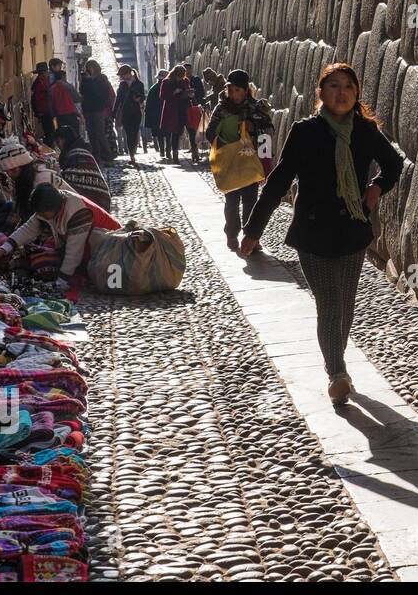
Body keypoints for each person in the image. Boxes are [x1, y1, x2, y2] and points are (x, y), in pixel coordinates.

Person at [240, 63, 403, 405]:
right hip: (313, 234)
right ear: (321, 93)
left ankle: (336, 363)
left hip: (352, 231)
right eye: (334, 87)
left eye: (348, 87)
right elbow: (278, 182)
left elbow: (393, 164)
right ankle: (337, 373)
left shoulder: (365, 131)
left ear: (356, 93)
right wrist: (253, 231)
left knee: (344, 306)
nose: (341, 93)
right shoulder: (306, 132)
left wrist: (375, 189)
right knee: (329, 304)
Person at [205, 69, 274, 253]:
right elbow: (210, 132)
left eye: (237, 90)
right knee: (232, 202)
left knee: (251, 201)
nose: (234, 94)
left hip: (249, 162)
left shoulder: (256, 108)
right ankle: (231, 233)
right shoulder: (221, 109)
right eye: (231, 90)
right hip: (229, 163)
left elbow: (268, 132)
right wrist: (226, 138)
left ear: (245, 90)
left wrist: (253, 127)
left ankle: (250, 237)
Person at [0, 184, 106, 293]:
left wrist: (61, 283)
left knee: (48, 264)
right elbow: (28, 229)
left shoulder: (77, 212)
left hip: (105, 249)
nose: (40, 215)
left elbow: (74, 252)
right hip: (83, 245)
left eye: (43, 213)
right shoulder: (48, 206)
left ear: (55, 208)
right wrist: (3, 249)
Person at [0, 138, 75, 211]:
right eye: (6, 172)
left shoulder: (43, 179)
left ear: (24, 167)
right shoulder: (19, 180)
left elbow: (47, 213)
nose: (10, 174)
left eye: (13, 170)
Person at [52, 125, 112, 210]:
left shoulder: (76, 153)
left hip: (97, 202)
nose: (58, 145)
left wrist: (55, 175)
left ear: (63, 140)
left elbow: (69, 181)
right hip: (101, 198)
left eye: (58, 141)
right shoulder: (80, 149)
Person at [79, 60, 115, 163]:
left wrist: (90, 81)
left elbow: (102, 93)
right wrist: (86, 80)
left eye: (90, 67)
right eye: (88, 67)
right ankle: (96, 156)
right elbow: (82, 91)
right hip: (88, 109)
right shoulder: (86, 79)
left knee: (100, 133)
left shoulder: (102, 79)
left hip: (98, 109)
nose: (89, 69)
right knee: (91, 133)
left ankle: (107, 156)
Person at [159, 66, 193, 163]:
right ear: (174, 75)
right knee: (175, 132)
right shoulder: (166, 82)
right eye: (179, 77)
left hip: (184, 109)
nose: (180, 79)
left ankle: (195, 152)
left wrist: (190, 95)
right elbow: (162, 96)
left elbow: (187, 91)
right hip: (173, 111)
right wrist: (173, 92)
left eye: (182, 77)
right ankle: (175, 155)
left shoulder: (185, 81)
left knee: (191, 130)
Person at [113, 65, 146, 164]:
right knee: (128, 133)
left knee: (134, 132)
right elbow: (118, 99)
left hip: (136, 112)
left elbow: (143, 97)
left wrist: (139, 99)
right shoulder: (122, 85)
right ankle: (132, 155)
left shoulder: (139, 84)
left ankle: (132, 153)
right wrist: (114, 112)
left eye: (122, 75)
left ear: (128, 74)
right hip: (126, 112)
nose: (122, 77)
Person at [48, 60, 84, 138]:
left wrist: (53, 116)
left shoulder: (51, 89)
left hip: (60, 116)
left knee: (63, 137)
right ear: (63, 77)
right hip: (71, 115)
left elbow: (50, 105)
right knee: (75, 136)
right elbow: (77, 98)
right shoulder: (68, 86)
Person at [145, 69, 168, 157]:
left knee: (161, 134)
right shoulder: (154, 89)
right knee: (165, 134)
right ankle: (166, 150)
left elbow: (148, 105)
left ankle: (164, 150)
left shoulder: (153, 88)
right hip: (161, 115)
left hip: (158, 116)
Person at [30, 62, 54, 143]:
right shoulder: (40, 83)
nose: (48, 73)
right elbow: (38, 99)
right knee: (49, 133)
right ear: (43, 72)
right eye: (47, 71)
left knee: (51, 132)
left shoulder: (43, 81)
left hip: (47, 111)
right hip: (45, 112)